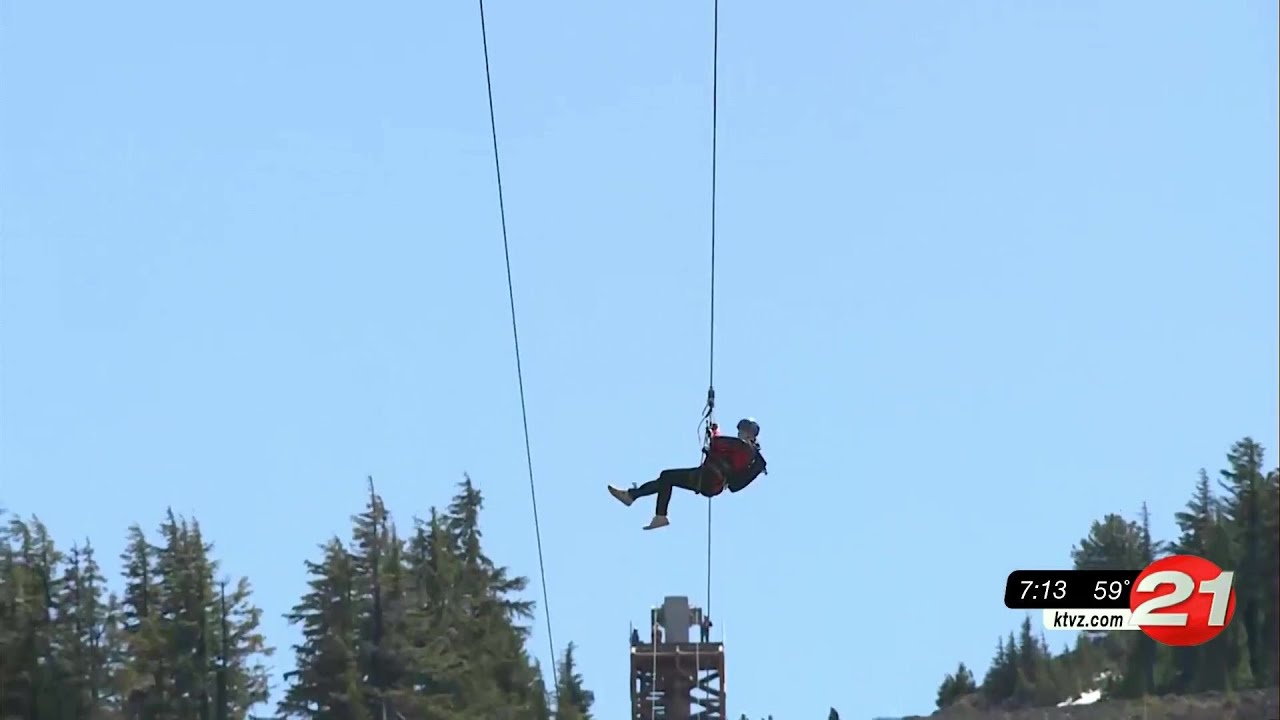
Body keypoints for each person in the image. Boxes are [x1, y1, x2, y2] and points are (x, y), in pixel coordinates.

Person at [608, 417, 767, 530]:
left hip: (710, 478)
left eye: (745, 430)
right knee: (666, 479)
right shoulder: (744, 450)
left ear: (752, 435)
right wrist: (715, 433)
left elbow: (717, 443)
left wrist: (715, 431)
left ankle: (655, 513)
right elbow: (719, 446)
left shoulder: (745, 448)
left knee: (667, 476)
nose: (741, 432)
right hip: (710, 479)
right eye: (741, 429)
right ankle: (633, 497)